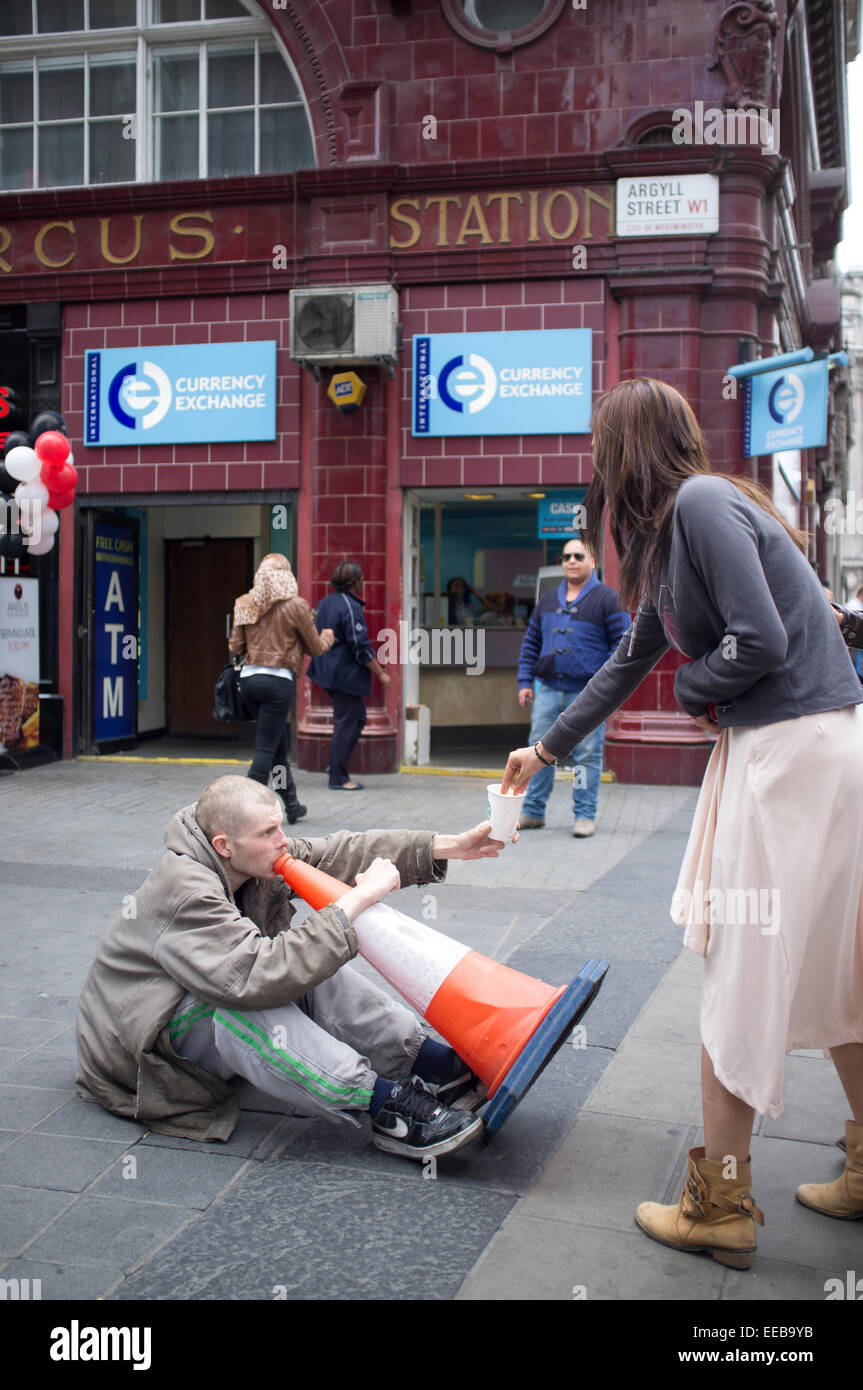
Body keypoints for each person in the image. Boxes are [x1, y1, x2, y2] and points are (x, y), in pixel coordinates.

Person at [501, 377, 863, 1268]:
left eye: (599, 445)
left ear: (625, 451)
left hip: (786, 755)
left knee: (739, 968)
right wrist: (542, 753)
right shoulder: (681, 531)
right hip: (806, 750)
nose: (592, 461)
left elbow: (760, 642)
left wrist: (697, 697)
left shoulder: (700, 506)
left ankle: (719, 1206)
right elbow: (626, 664)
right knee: (834, 965)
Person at [75, 775, 505, 1162]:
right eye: (269, 832)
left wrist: (446, 846)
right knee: (242, 1003)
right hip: (138, 1057)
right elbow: (251, 979)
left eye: (281, 825)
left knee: (314, 966)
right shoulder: (185, 888)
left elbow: (339, 852)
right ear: (224, 845)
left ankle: (433, 1065)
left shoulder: (248, 853)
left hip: (189, 1011)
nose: (283, 840)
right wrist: (356, 900)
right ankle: (385, 1106)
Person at [515, 538, 630, 837]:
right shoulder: (548, 601)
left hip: (588, 694)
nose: (572, 561)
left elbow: (623, 646)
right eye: (566, 556)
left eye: (579, 556)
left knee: (587, 755)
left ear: (594, 561)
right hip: (548, 690)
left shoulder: (609, 599)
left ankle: (584, 815)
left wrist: (604, 685)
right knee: (538, 751)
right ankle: (533, 812)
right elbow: (531, 644)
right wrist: (525, 682)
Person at [228, 553, 334, 824]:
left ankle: (292, 803)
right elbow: (315, 648)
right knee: (265, 748)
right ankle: (244, 812)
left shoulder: (245, 602)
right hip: (278, 682)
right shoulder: (296, 605)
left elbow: (235, 647)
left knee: (276, 746)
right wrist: (327, 637)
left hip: (250, 681)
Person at [307, 561, 390, 791]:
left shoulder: (325, 602)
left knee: (357, 718)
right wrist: (381, 674)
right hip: (343, 676)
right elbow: (360, 647)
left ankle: (336, 763)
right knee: (347, 723)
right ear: (354, 582)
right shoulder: (350, 607)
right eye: (361, 578)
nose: (363, 582)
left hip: (327, 673)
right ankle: (338, 777)